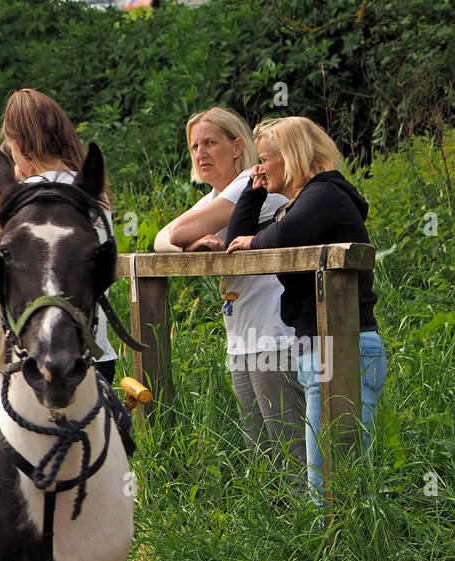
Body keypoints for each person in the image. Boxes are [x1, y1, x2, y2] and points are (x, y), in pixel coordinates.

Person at [226, 116, 387, 497]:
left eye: (265, 159)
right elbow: (237, 244)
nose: (259, 168)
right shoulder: (302, 203)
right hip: (319, 349)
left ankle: (351, 555)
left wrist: (254, 240)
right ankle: (342, 552)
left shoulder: (325, 195)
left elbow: (282, 237)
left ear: (293, 156)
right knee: (328, 484)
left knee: (331, 484)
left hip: (345, 349)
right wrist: (253, 193)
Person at [155, 107, 304, 470]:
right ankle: (275, 526)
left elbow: (174, 232)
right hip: (243, 336)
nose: (200, 153)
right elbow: (162, 239)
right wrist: (190, 246)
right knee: (262, 455)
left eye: (210, 143)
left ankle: (316, 523)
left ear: (237, 146)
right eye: (194, 146)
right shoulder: (213, 198)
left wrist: (184, 239)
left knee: (290, 451)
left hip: (276, 332)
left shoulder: (251, 186)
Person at [0, 88, 119, 384]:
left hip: (44, 355)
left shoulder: (31, 199)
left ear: (19, 144)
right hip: (96, 349)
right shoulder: (93, 194)